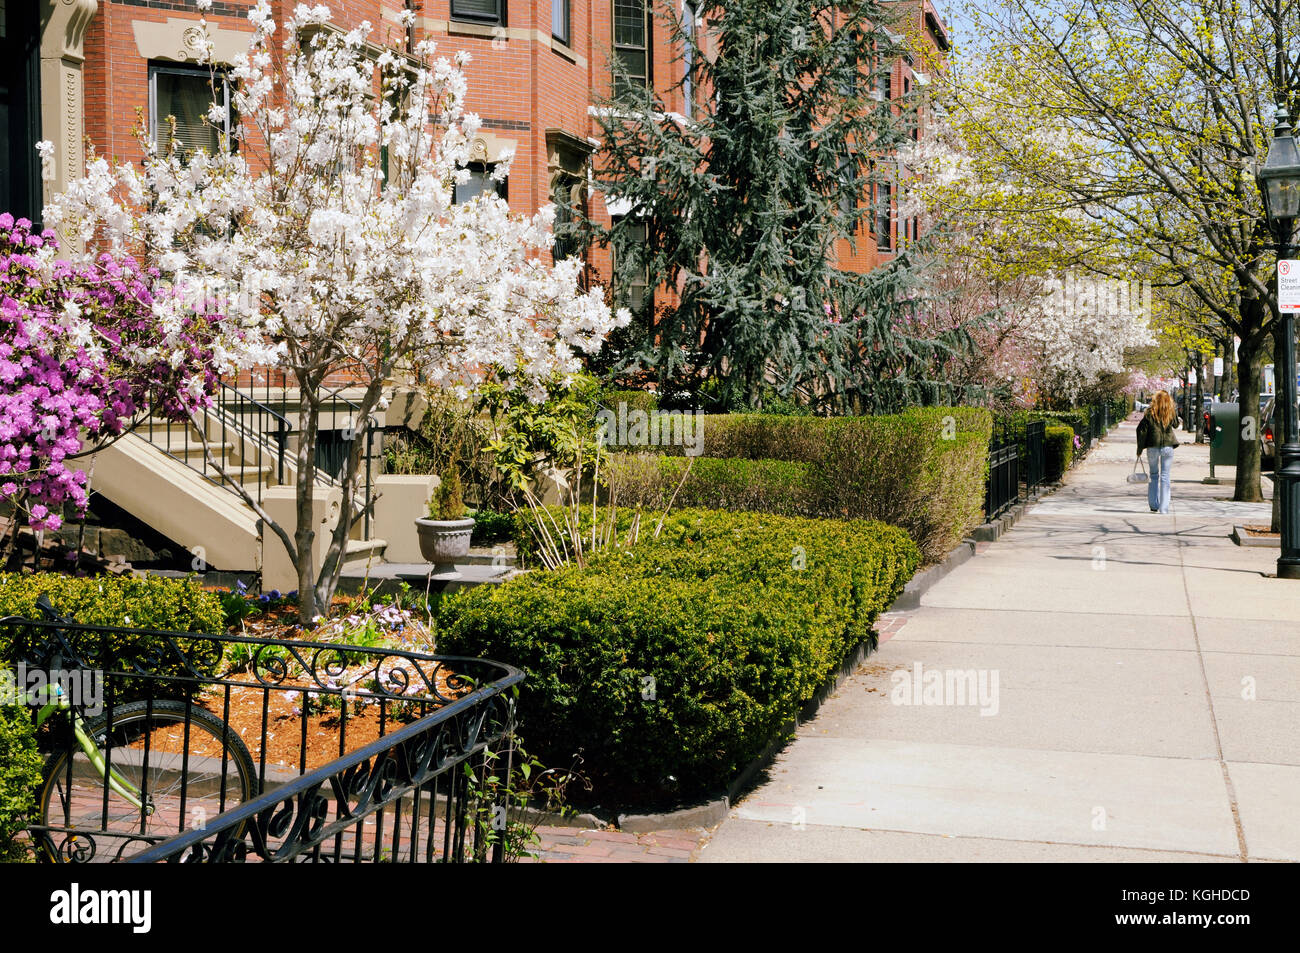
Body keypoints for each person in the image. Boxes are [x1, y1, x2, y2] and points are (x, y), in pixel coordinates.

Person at [1136, 391, 1180, 513]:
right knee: (1165, 477)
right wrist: (1173, 411)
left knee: (1154, 475)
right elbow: (1176, 424)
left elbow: (1141, 430)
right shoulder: (1170, 411)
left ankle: (1154, 504)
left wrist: (1139, 449)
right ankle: (1164, 508)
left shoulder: (1150, 413)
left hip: (1152, 447)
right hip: (1167, 446)